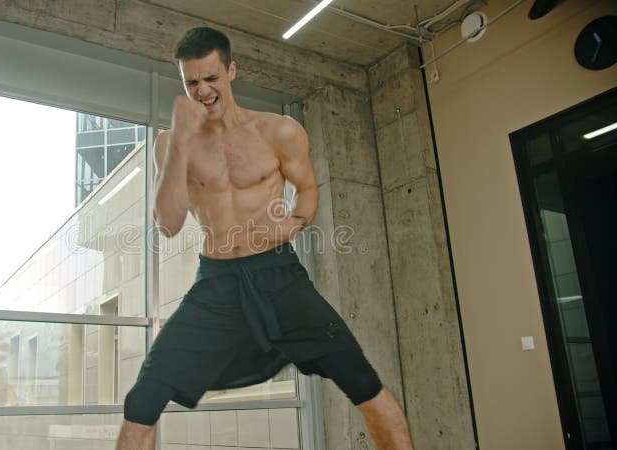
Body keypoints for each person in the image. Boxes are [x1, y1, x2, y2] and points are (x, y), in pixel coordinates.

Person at [116, 27, 414, 450]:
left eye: (211, 78)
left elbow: (307, 189)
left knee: (361, 380)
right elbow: (167, 224)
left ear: (232, 70)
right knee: (142, 400)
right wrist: (180, 141)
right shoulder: (171, 144)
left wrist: (293, 223)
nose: (202, 91)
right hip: (216, 283)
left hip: (278, 275)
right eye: (192, 82)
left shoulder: (279, 131)